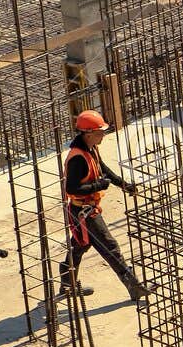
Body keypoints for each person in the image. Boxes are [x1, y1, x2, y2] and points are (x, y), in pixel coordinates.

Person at [59, 110, 148, 303]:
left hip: (85, 209)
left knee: (80, 246)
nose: (104, 135)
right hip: (83, 211)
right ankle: (134, 286)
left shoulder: (90, 148)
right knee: (110, 246)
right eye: (100, 132)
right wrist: (98, 185)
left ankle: (66, 283)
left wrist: (123, 184)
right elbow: (72, 187)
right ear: (88, 133)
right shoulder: (77, 159)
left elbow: (102, 169)